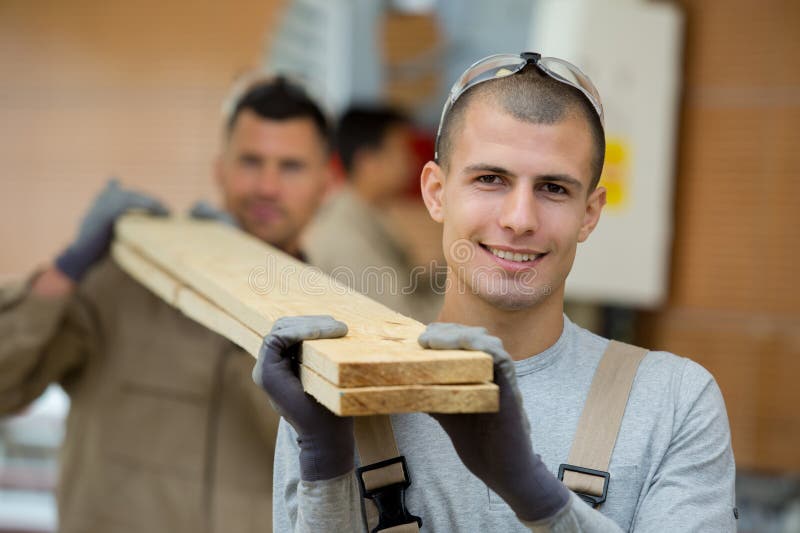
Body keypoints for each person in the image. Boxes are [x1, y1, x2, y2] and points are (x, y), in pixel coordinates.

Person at [254, 53, 737, 531]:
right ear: (436, 192)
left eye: (553, 188)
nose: (519, 219)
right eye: (490, 179)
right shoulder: (337, 393)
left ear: (590, 213)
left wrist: (532, 491)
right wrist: (326, 465)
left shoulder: (671, 403)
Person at [0, 76, 334, 533]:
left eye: (291, 166)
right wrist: (66, 270)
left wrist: (261, 294)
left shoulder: (333, 324)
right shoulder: (125, 284)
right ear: (219, 169)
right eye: (251, 162)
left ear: (326, 181)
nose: (267, 187)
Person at [303, 105, 442, 323]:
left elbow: (409, 286)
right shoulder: (344, 237)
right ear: (367, 162)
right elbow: (403, 322)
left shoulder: (363, 215)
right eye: (402, 151)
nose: (413, 162)